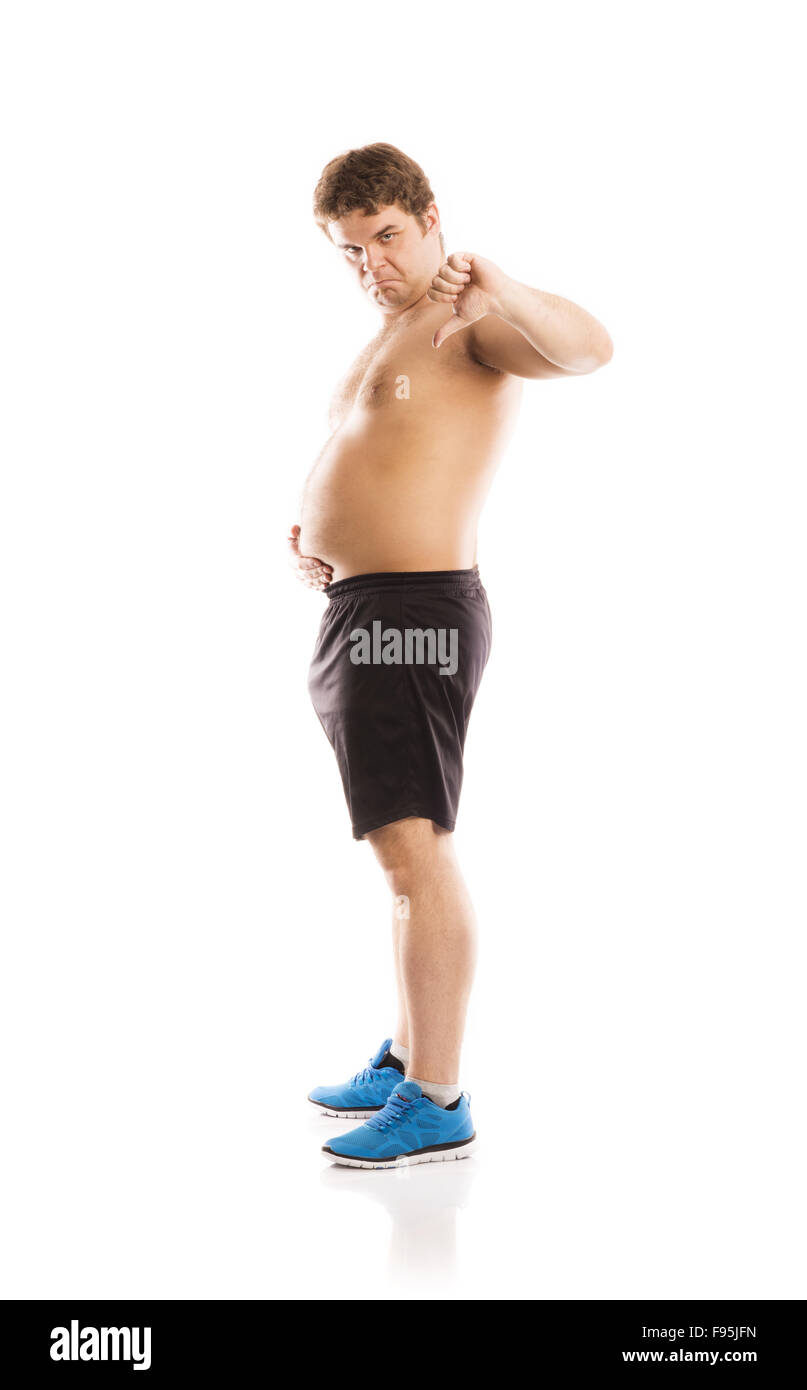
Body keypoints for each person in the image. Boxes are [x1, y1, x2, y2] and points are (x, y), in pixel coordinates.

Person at [289, 143, 613, 1169]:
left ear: (432, 217)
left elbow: (593, 347)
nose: (374, 263)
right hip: (367, 607)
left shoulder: (472, 320)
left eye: (387, 236)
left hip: (411, 614)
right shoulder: (392, 333)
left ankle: (438, 1095)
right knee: (397, 852)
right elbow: (374, 453)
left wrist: (503, 279)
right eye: (352, 250)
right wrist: (318, 531)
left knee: (412, 851)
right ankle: (407, 1054)